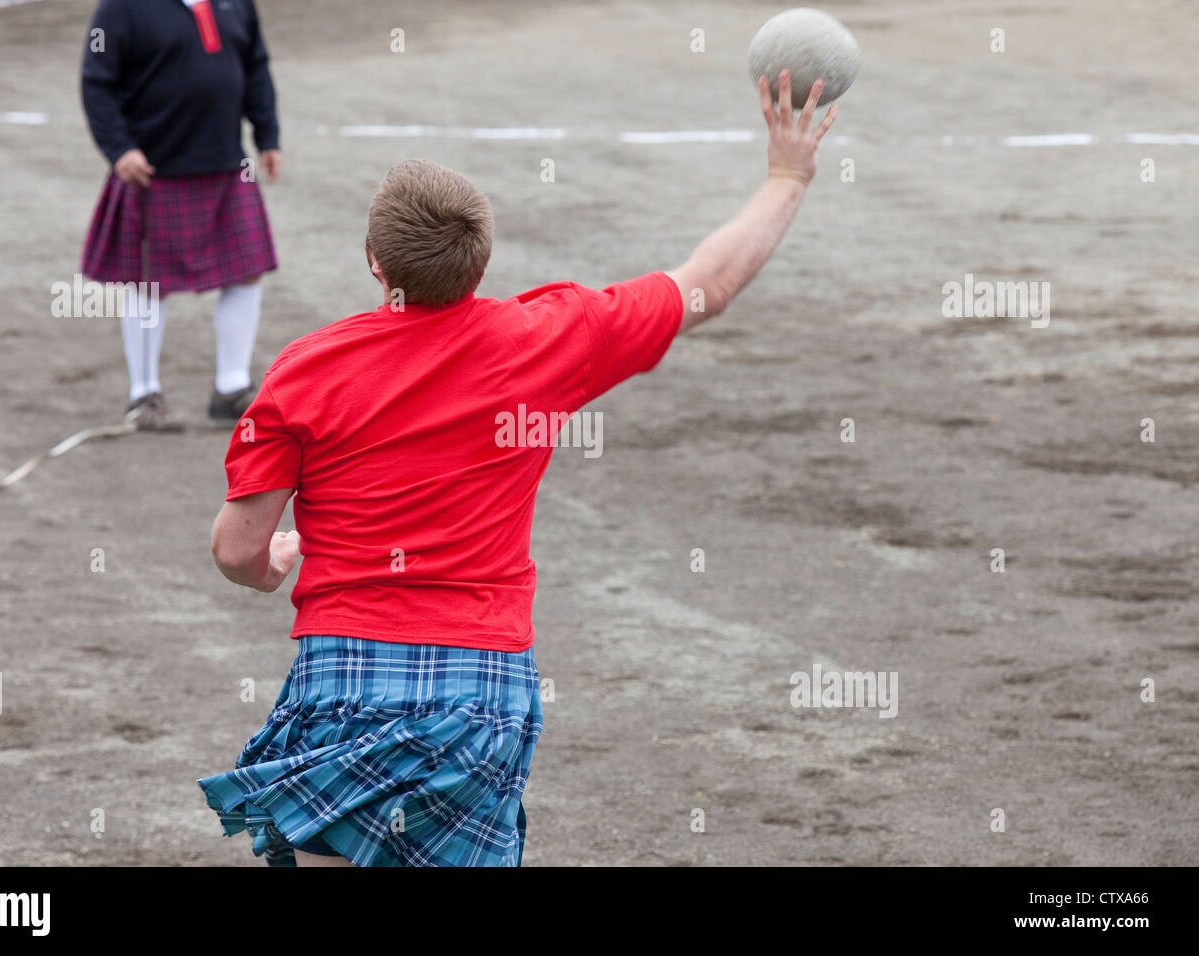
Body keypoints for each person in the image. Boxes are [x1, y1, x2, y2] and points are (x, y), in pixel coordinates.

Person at [198, 72, 838, 866]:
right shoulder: (547, 340)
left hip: (346, 669)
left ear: (375, 261)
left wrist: (269, 567)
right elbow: (708, 285)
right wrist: (787, 175)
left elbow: (235, 548)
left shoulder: (305, 370)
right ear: (480, 259)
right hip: (480, 686)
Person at [80, 0, 282, 430]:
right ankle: (144, 396)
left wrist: (268, 135)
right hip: (154, 170)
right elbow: (96, 82)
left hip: (228, 164)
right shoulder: (122, 9)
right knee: (149, 284)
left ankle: (231, 387)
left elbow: (256, 67)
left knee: (247, 272)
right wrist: (119, 148)